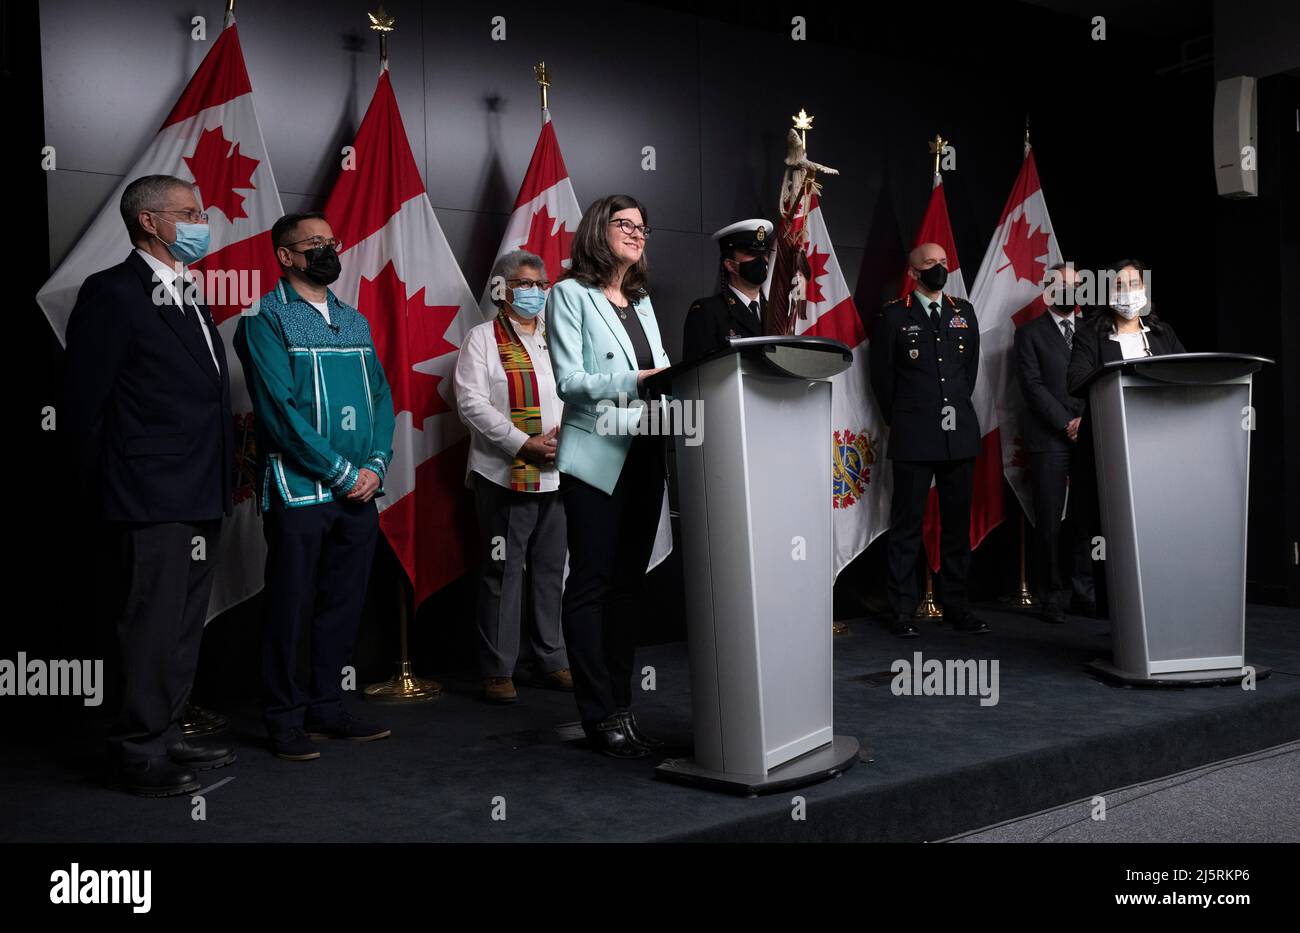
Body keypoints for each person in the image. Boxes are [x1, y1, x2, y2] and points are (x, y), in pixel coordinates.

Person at [63, 174, 236, 795]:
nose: (201, 220)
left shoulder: (188, 292)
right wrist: (104, 494)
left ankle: (167, 733)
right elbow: (84, 404)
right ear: (150, 223)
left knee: (186, 623)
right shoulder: (112, 293)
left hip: (201, 488)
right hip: (147, 494)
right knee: (151, 625)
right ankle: (137, 754)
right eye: (189, 211)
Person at [235, 212, 394, 761]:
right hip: (299, 489)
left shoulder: (353, 320)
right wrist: (342, 473)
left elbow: (381, 396)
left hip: (361, 491)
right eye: (314, 244)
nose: (328, 251)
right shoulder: (264, 319)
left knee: (343, 603)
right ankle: (283, 717)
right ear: (284, 255)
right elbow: (278, 412)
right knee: (291, 605)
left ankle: (327, 707)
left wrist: (376, 463)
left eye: (332, 242)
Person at [546, 194, 671, 759]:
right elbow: (571, 381)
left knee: (628, 587)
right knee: (592, 584)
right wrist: (637, 380)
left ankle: (623, 707)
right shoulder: (568, 294)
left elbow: (665, 372)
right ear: (598, 230)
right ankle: (597, 715)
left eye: (643, 227)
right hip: (597, 457)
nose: (637, 234)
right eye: (625, 225)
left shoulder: (641, 301)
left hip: (646, 453)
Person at [453, 250, 572, 704]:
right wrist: (522, 444)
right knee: (502, 571)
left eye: (542, 284)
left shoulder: (557, 338)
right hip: (504, 473)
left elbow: (572, 391)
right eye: (525, 283)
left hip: (559, 474)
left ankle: (551, 658)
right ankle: (498, 669)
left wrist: (566, 435)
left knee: (550, 569)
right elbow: (471, 403)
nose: (536, 292)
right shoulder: (482, 339)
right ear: (502, 288)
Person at [869, 242, 990, 638]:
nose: (940, 268)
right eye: (930, 264)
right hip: (914, 433)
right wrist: (905, 419)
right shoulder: (892, 316)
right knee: (907, 526)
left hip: (959, 435)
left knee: (956, 526)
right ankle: (901, 609)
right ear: (914, 273)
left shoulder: (963, 312)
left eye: (943, 262)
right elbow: (883, 381)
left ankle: (958, 605)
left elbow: (967, 374)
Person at [1066, 259, 1186, 619]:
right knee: (1112, 535)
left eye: (1135, 284)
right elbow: (1075, 380)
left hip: (1159, 449)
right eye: (1120, 284)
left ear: (1145, 291)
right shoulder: (1091, 334)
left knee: (1158, 532)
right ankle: (1119, 617)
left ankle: (1162, 608)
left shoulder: (1162, 333)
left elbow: (1188, 372)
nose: (1128, 291)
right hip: (1111, 449)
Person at [1015, 262, 1094, 622]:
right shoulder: (1028, 333)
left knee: (1086, 518)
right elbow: (1032, 387)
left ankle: (1084, 592)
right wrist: (1067, 423)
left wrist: (1085, 421)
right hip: (1049, 437)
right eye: (1064, 284)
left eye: (1078, 285)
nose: (1072, 290)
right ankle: (1050, 593)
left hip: (1091, 433)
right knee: (1049, 519)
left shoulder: (1093, 332)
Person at [681, 219, 774, 360]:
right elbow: (699, 373)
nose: (762, 260)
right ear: (730, 265)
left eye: (764, 253)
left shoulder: (775, 312)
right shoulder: (707, 311)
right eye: (752, 253)